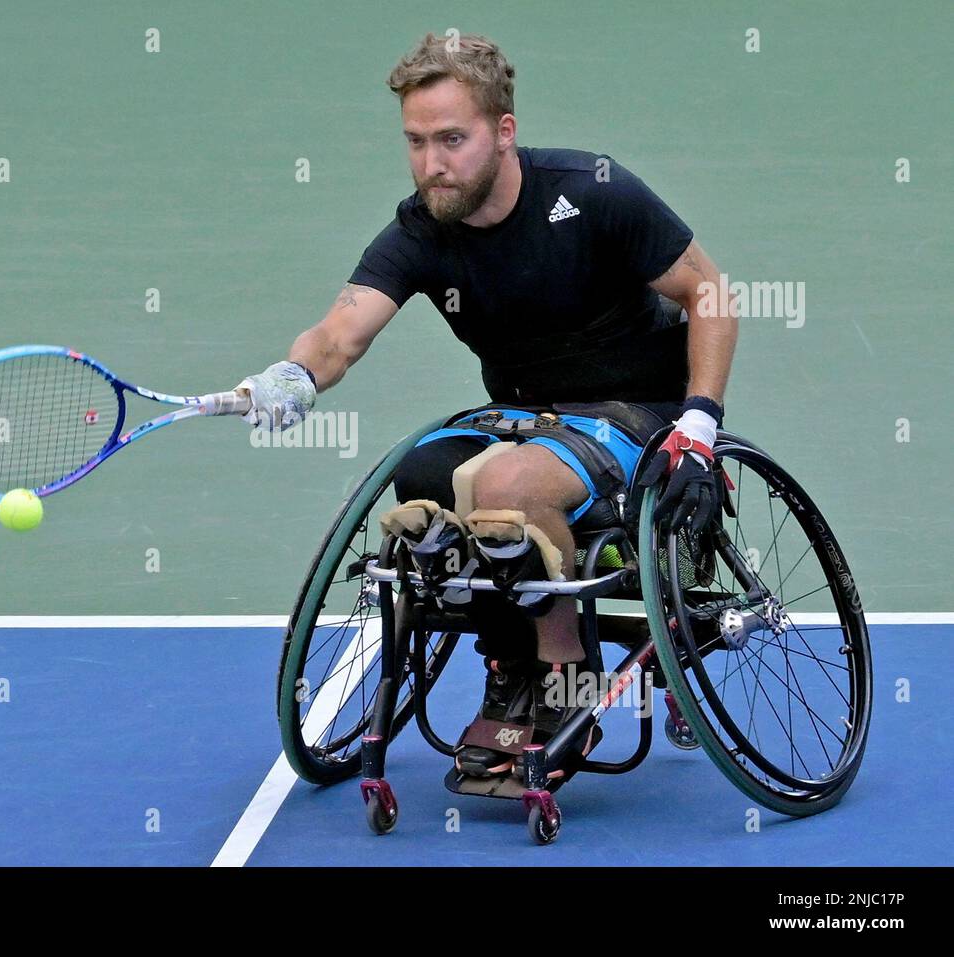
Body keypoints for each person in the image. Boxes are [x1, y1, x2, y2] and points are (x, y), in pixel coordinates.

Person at [233, 33, 738, 777]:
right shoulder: (422, 230)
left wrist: (699, 422)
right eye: (415, 141)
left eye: (451, 139)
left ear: (504, 133)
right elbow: (341, 333)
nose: (432, 162)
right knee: (425, 476)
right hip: (531, 419)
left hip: (638, 408)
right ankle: (510, 663)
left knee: (503, 491)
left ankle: (568, 678)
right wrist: (291, 375)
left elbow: (711, 293)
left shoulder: (590, 191)